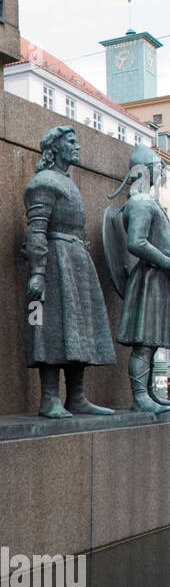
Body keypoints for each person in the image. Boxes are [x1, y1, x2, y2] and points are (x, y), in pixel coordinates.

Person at [22, 125, 115, 417]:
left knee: (79, 330)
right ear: (55, 148)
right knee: (48, 327)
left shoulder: (68, 183)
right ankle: (49, 397)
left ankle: (76, 396)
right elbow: (36, 230)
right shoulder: (44, 183)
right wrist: (37, 272)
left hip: (77, 261)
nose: (77, 147)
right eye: (71, 142)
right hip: (55, 261)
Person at [104, 145, 170, 411]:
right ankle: (140, 397)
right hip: (150, 279)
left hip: (158, 279)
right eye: (158, 165)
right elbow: (136, 243)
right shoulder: (141, 202)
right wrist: (167, 261)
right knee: (144, 343)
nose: (162, 171)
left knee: (152, 342)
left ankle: (149, 394)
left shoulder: (148, 202)